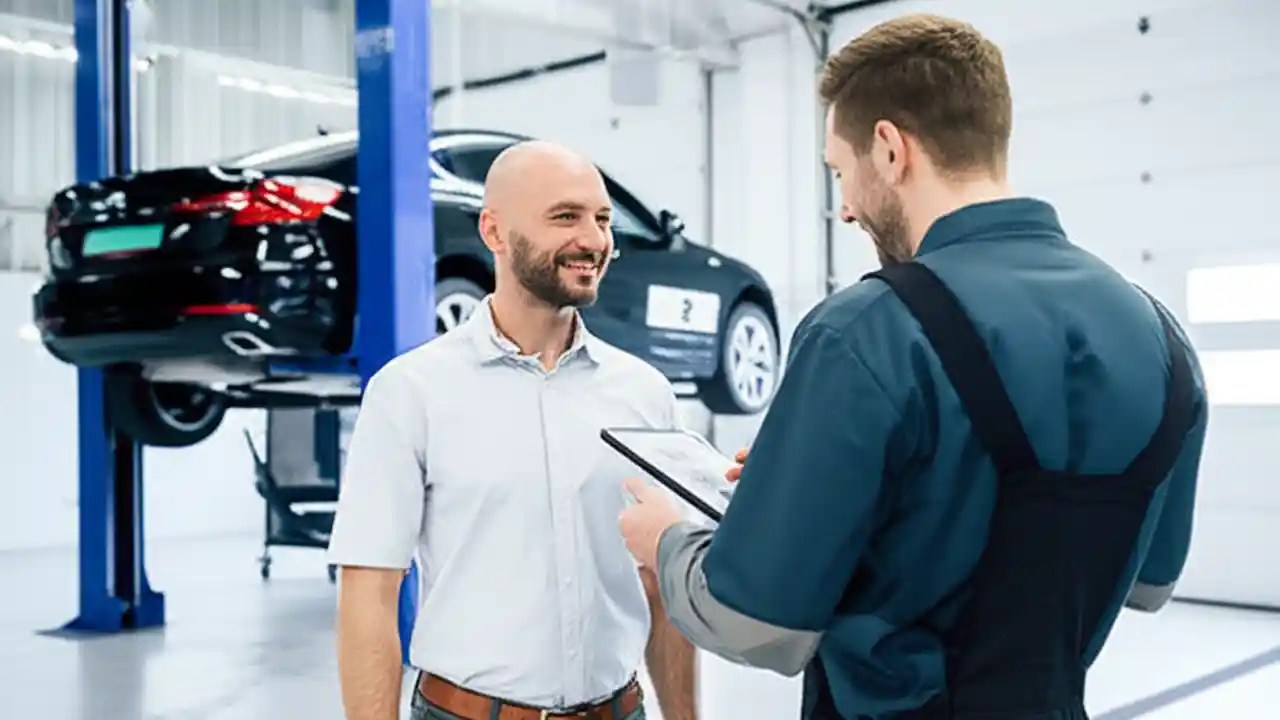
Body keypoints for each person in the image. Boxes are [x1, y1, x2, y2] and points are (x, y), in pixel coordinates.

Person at [618, 12, 1208, 720]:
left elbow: (757, 623)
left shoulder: (865, 331)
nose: (844, 208)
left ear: (890, 149)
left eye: (841, 171)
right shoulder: (1161, 337)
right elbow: (1147, 583)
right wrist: (808, 494)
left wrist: (667, 538)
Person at [328, 139, 698, 720]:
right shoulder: (412, 392)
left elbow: (662, 583)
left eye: (602, 220)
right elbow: (369, 596)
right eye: (565, 217)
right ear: (494, 232)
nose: (595, 240)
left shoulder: (644, 393)